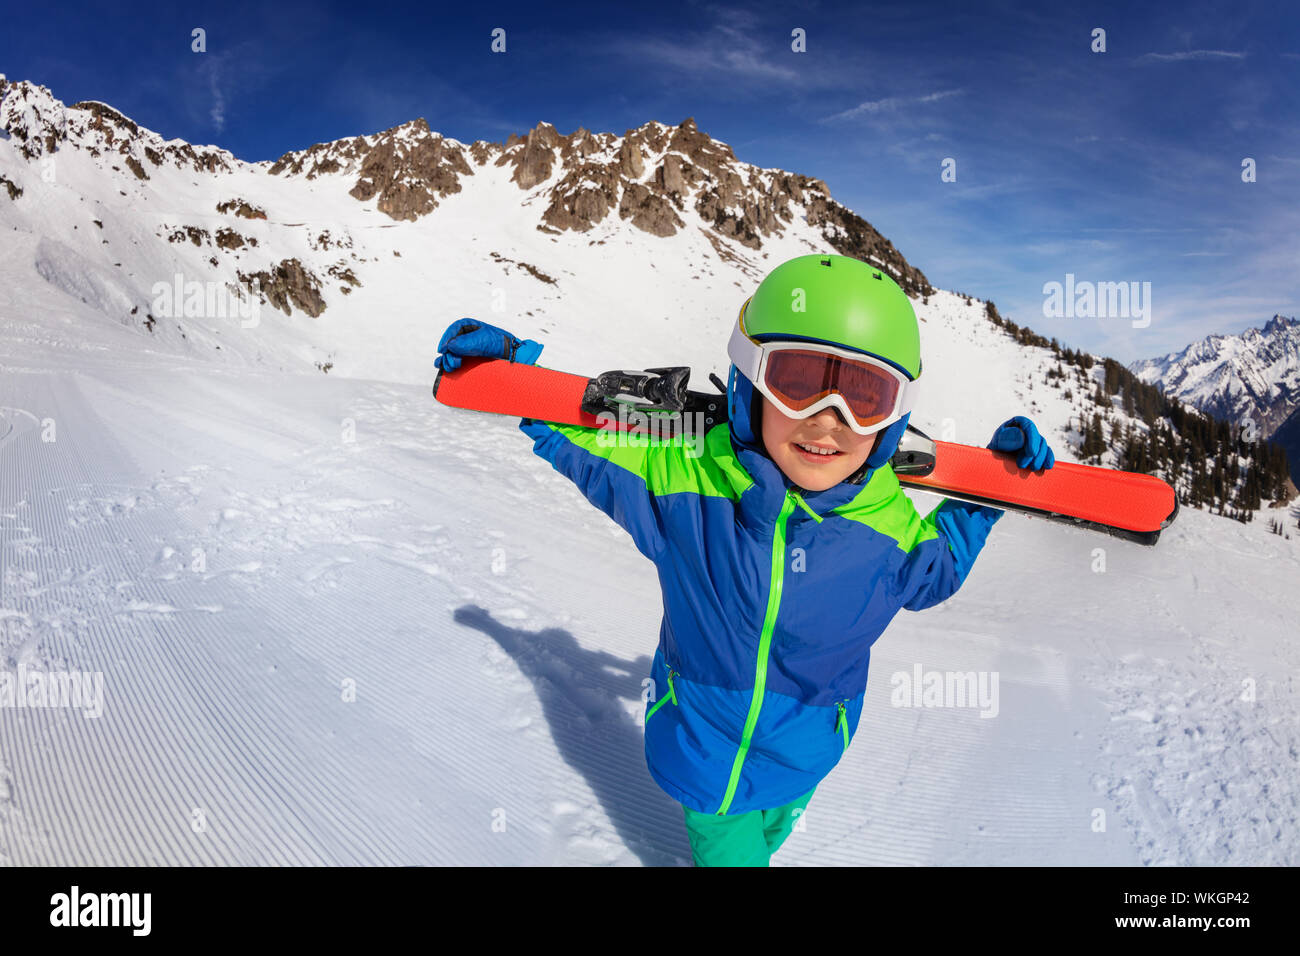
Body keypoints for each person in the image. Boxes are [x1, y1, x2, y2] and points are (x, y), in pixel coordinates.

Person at [435, 253, 1055, 866]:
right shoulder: (685, 486)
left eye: (864, 397)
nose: (827, 420)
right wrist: (517, 380)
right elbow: (591, 447)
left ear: (892, 424)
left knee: (771, 834)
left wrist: (983, 500)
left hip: (809, 753)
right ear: (748, 384)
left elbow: (937, 569)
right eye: (799, 382)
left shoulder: (889, 530)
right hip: (703, 752)